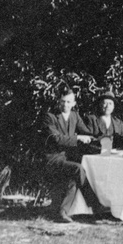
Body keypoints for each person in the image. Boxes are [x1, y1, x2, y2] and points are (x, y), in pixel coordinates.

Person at [42, 87, 101, 222]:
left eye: (69, 102)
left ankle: (62, 212)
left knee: (73, 180)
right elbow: (57, 139)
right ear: (58, 102)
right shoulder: (49, 117)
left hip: (66, 158)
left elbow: (88, 133)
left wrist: (97, 128)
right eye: (63, 101)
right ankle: (95, 205)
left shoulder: (75, 115)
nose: (66, 105)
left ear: (74, 103)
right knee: (78, 169)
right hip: (52, 159)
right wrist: (78, 138)